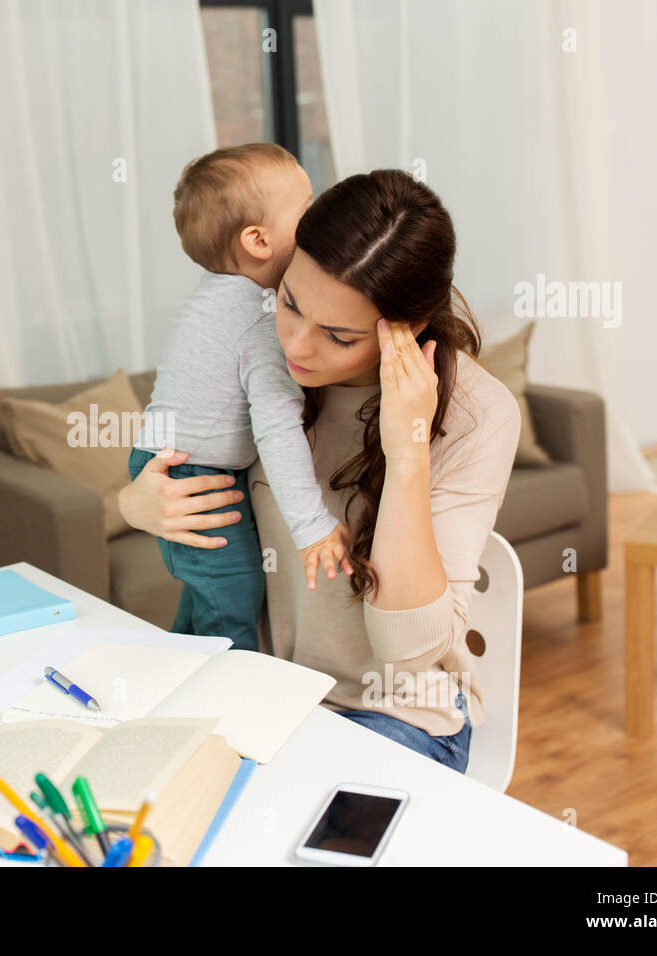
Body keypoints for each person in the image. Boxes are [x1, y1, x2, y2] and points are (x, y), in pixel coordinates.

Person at [120, 169, 521, 772]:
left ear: (405, 329)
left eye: (337, 335)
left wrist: (407, 449)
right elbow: (166, 469)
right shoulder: (256, 349)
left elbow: (408, 654)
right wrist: (138, 504)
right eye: (290, 303)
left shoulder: (478, 416)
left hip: (395, 716)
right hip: (262, 695)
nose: (298, 348)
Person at [128, 143, 352, 653]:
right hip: (189, 473)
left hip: (172, 462)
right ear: (258, 240)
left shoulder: (222, 294)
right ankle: (232, 709)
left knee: (208, 599)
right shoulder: (257, 316)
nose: (319, 217)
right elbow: (277, 429)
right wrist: (314, 526)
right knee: (233, 606)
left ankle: (174, 674)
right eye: (307, 205)